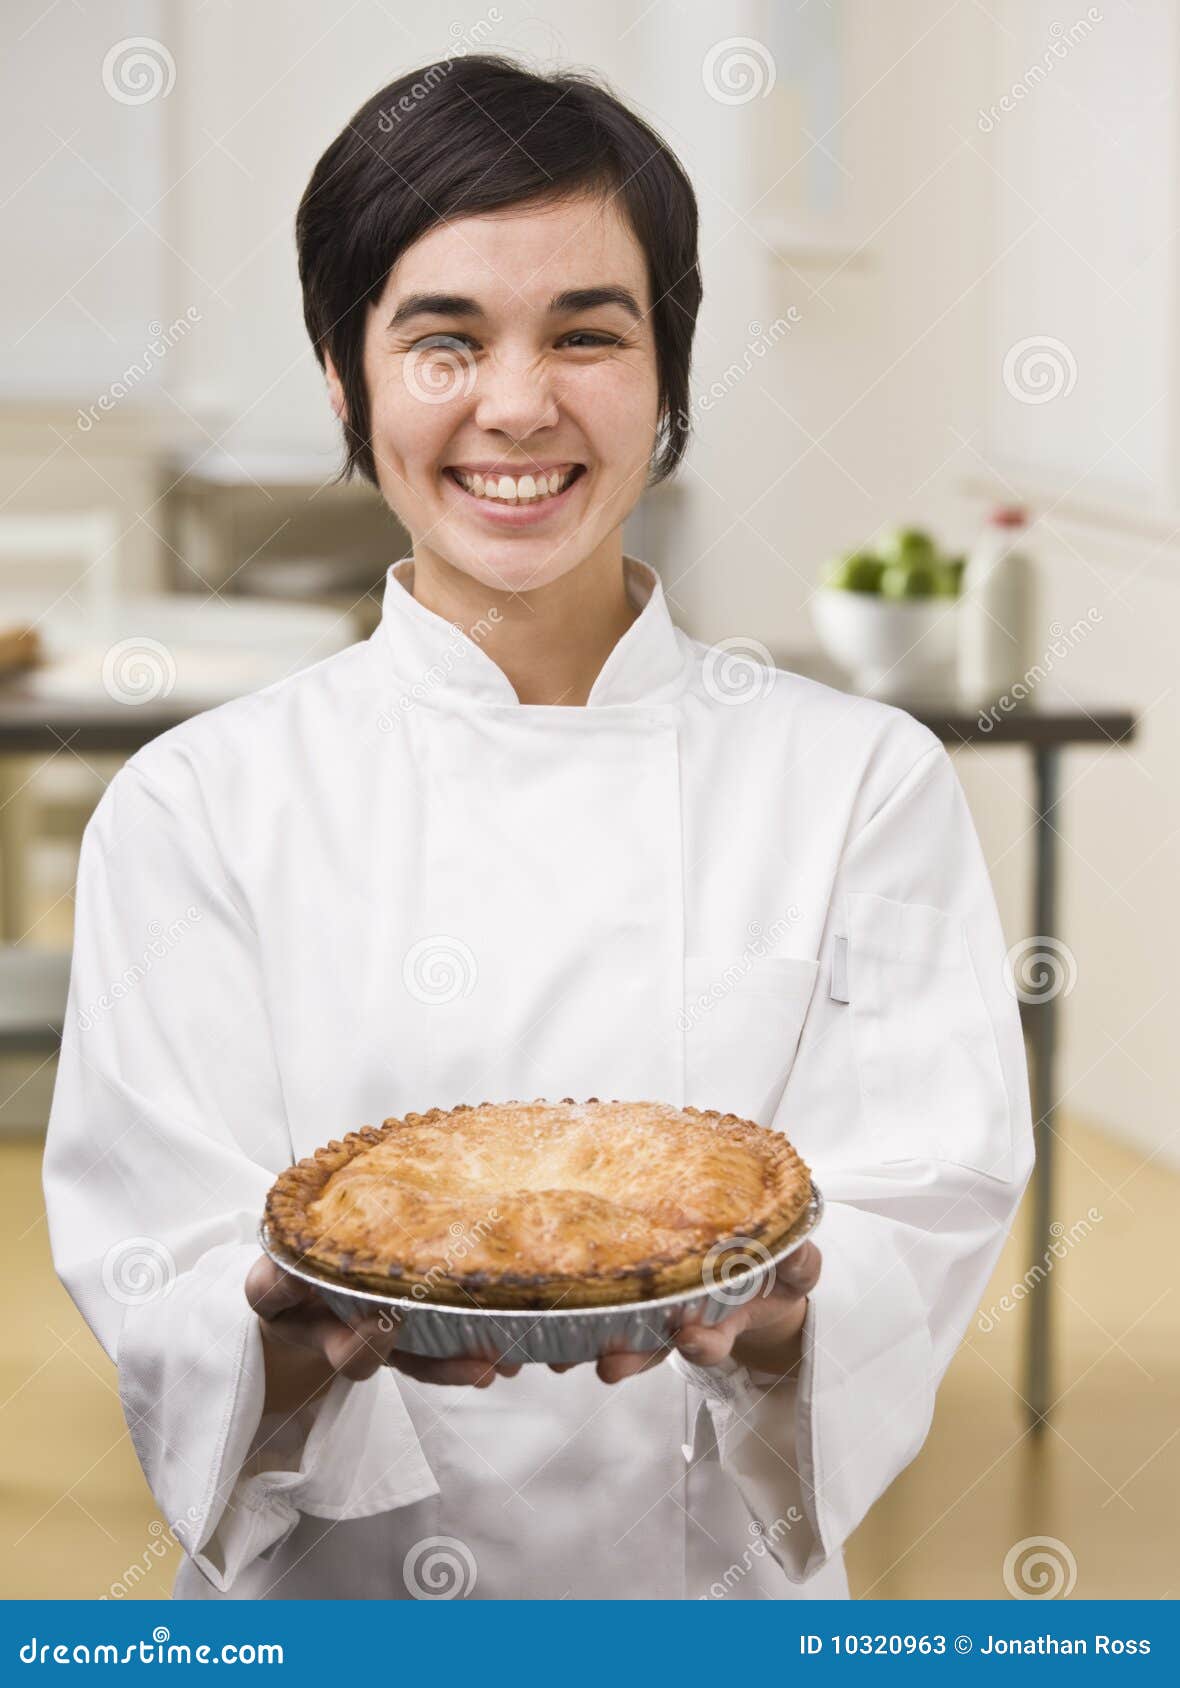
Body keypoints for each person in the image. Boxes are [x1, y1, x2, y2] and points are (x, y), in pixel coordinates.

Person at [43, 54, 1033, 1601]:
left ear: (670, 376)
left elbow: (929, 1184)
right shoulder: (197, 808)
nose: (519, 403)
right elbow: (152, 1248)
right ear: (341, 376)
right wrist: (289, 1356)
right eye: (443, 340)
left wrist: (787, 1332)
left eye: (590, 332)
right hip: (341, 1615)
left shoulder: (862, 782)